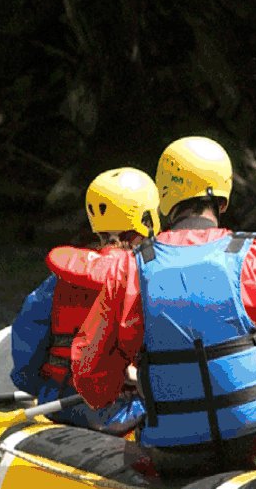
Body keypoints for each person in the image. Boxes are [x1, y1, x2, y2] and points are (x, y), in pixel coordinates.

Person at [71, 135, 256, 476]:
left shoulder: (129, 269)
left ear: (164, 199)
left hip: (171, 456)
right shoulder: (254, 257)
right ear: (224, 198)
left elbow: (92, 382)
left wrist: (134, 377)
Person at [10, 167, 158, 433]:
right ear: (147, 220)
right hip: (123, 412)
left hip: (57, 404)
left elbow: (27, 339)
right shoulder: (151, 278)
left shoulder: (61, 279)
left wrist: (37, 387)